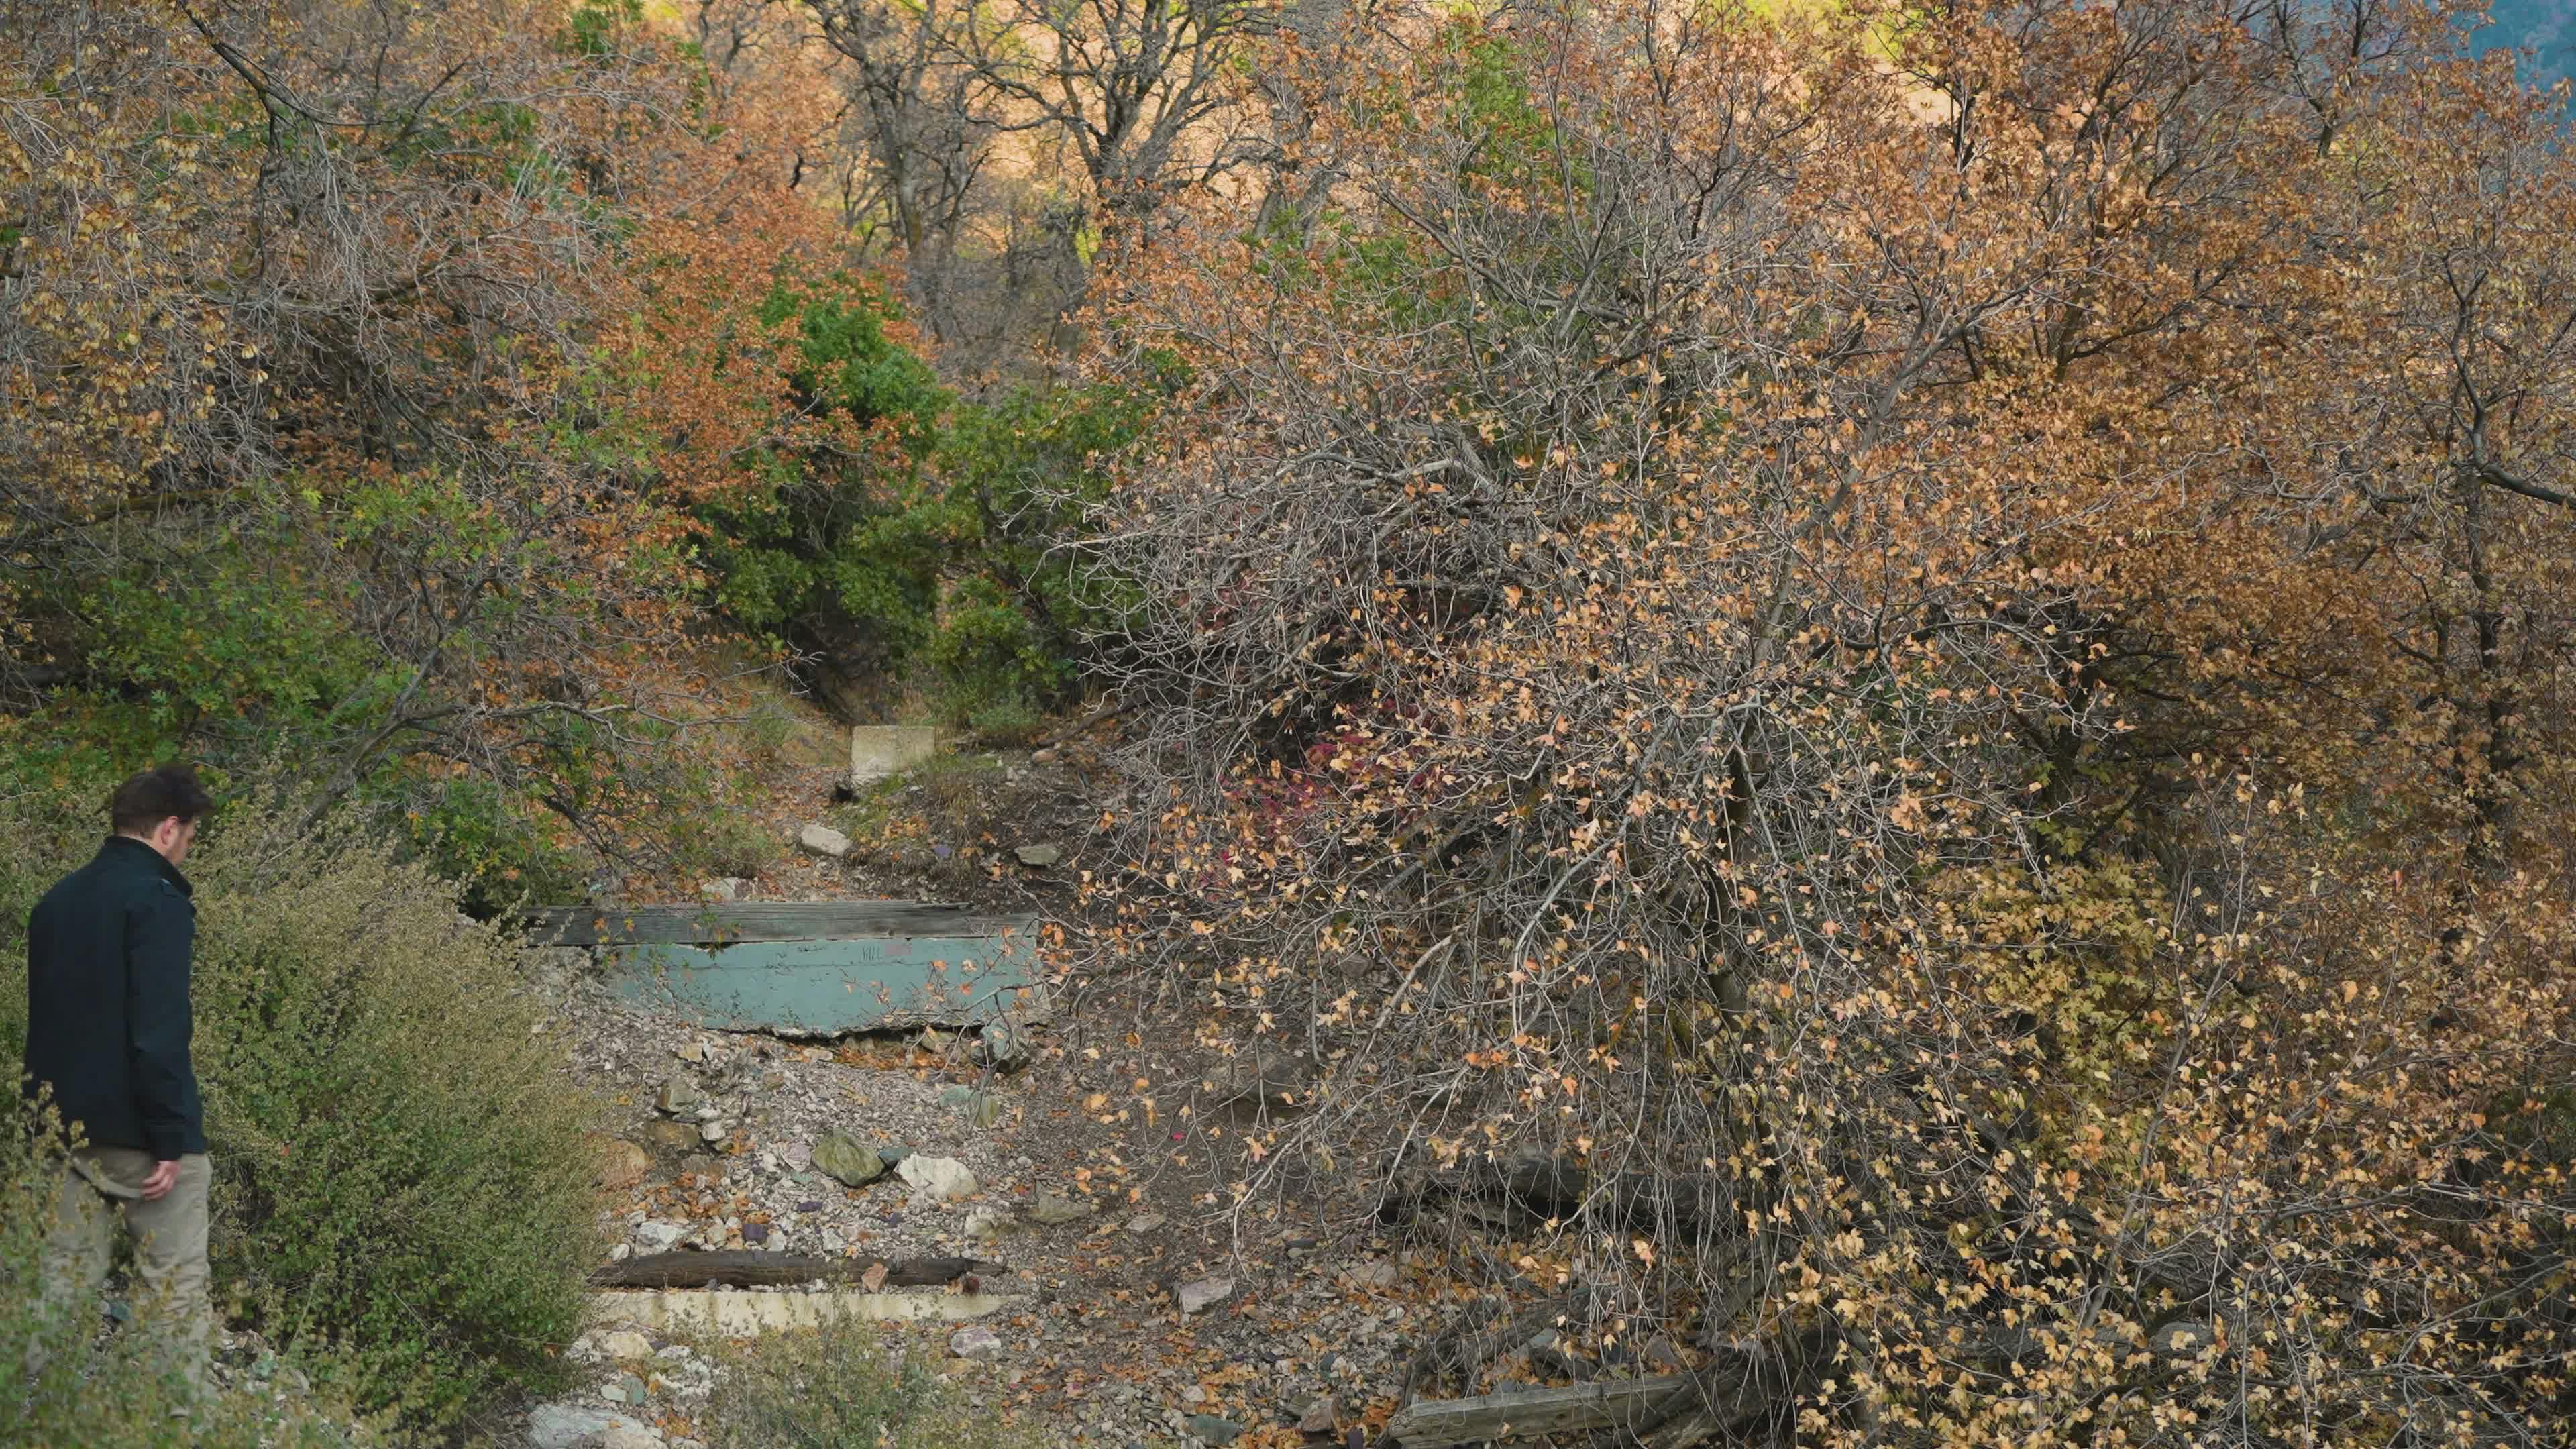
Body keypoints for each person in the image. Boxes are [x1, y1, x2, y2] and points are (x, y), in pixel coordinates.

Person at [23, 763, 217, 1385]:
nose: (189, 848)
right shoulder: (157, 903)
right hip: (139, 1137)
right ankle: (169, 1421)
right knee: (174, 1290)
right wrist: (171, 1138)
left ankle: (43, 1417)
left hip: (60, 1132)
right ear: (168, 829)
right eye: (190, 835)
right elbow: (157, 1033)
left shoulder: (56, 900)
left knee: (60, 1288)